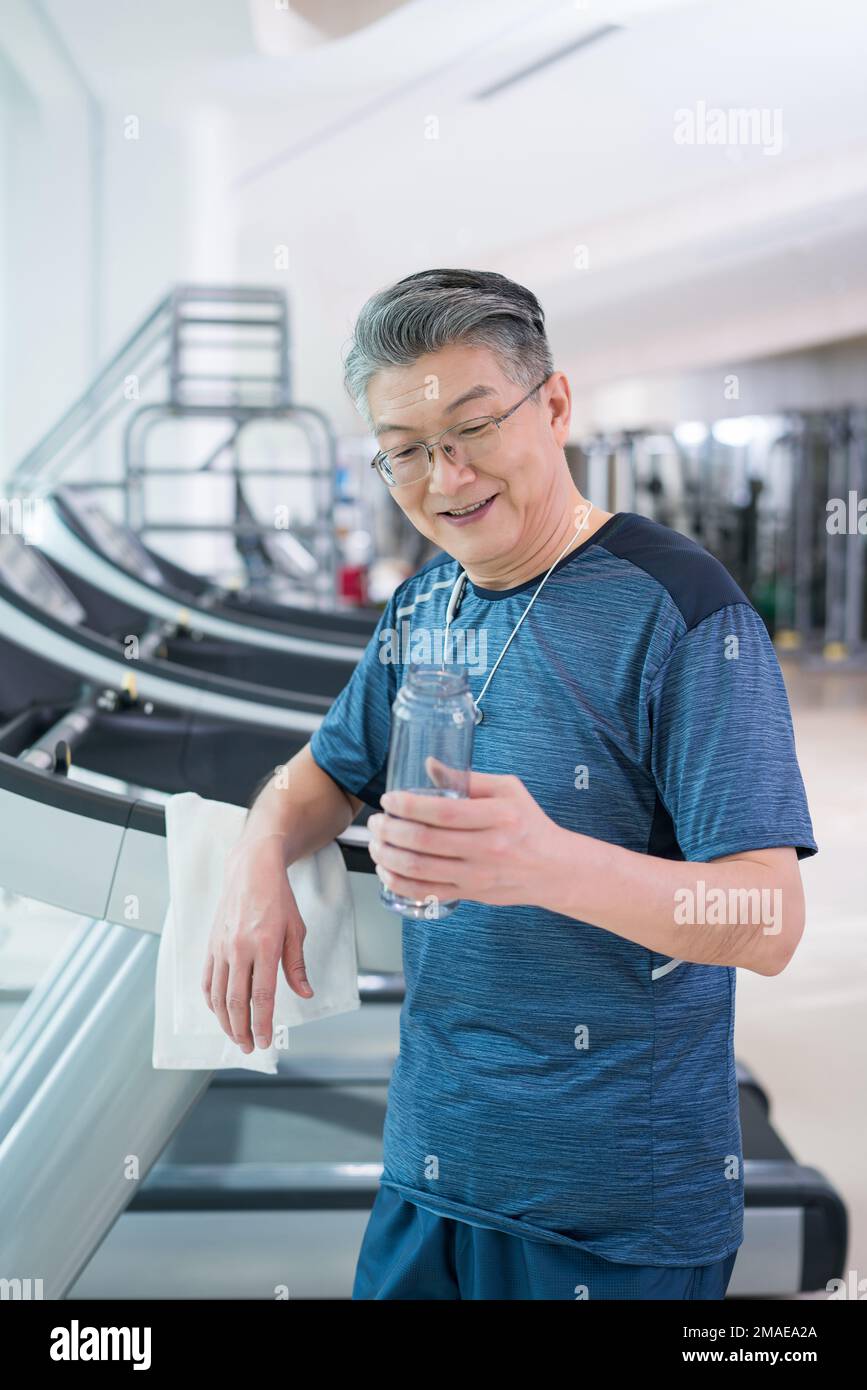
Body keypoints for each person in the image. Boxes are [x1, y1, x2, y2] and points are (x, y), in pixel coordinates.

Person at [203, 268, 817, 1300]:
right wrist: (256, 856)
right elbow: (317, 776)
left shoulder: (683, 612)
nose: (445, 477)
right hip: (430, 1174)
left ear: (556, 405)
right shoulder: (422, 605)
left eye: (474, 428)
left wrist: (546, 864)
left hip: (613, 1220)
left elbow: (768, 918)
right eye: (405, 450)